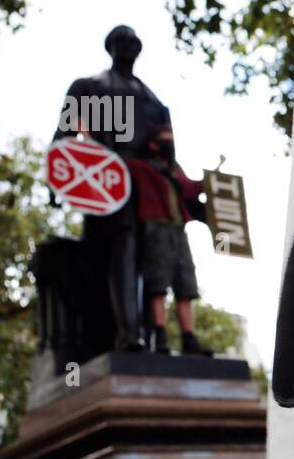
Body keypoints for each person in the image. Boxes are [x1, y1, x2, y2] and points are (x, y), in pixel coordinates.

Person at [53, 25, 169, 351]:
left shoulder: (156, 103)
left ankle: (156, 335)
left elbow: (168, 153)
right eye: (121, 39)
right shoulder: (88, 87)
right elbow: (64, 136)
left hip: (147, 184)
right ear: (110, 46)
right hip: (104, 180)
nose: (129, 44)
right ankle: (127, 334)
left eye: (133, 39)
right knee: (119, 249)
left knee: (153, 257)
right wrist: (56, 182)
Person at [125, 109, 209, 355]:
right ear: (153, 144)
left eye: (172, 141)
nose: (169, 145)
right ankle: (160, 337)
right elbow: (114, 165)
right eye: (165, 141)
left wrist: (213, 179)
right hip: (156, 227)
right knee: (158, 284)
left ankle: (188, 337)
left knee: (186, 285)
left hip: (178, 229)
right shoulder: (142, 168)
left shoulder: (175, 170)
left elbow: (191, 188)